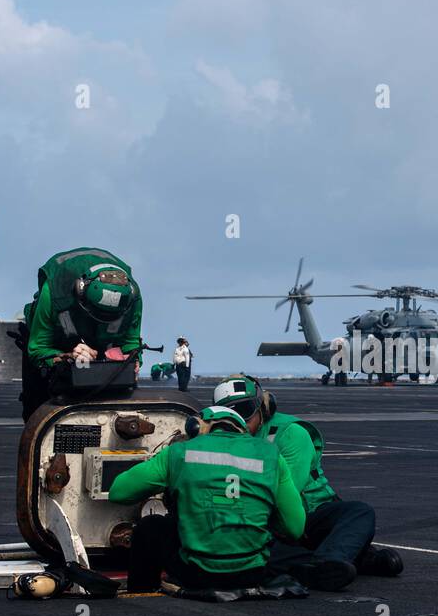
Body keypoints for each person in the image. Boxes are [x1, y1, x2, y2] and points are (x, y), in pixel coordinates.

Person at [216, 375, 403, 590]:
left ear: (262, 407)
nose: (239, 421)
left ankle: (325, 562)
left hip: (306, 514)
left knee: (360, 512)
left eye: (245, 411)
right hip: (262, 521)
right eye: (230, 414)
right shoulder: (221, 440)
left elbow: (287, 496)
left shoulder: (290, 433)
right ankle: (353, 559)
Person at [110, 404, 304, 592]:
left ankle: (141, 591)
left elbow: (119, 492)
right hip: (252, 574)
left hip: (197, 574)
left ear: (197, 426)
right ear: (242, 429)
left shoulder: (178, 453)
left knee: (150, 526)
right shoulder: (272, 456)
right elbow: (294, 527)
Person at [20, 248, 144, 419]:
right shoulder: (54, 294)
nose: (102, 322)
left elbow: (131, 341)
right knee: (37, 409)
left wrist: (133, 360)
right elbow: (37, 348)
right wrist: (66, 357)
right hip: (56, 340)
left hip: (101, 344)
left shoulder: (132, 297)